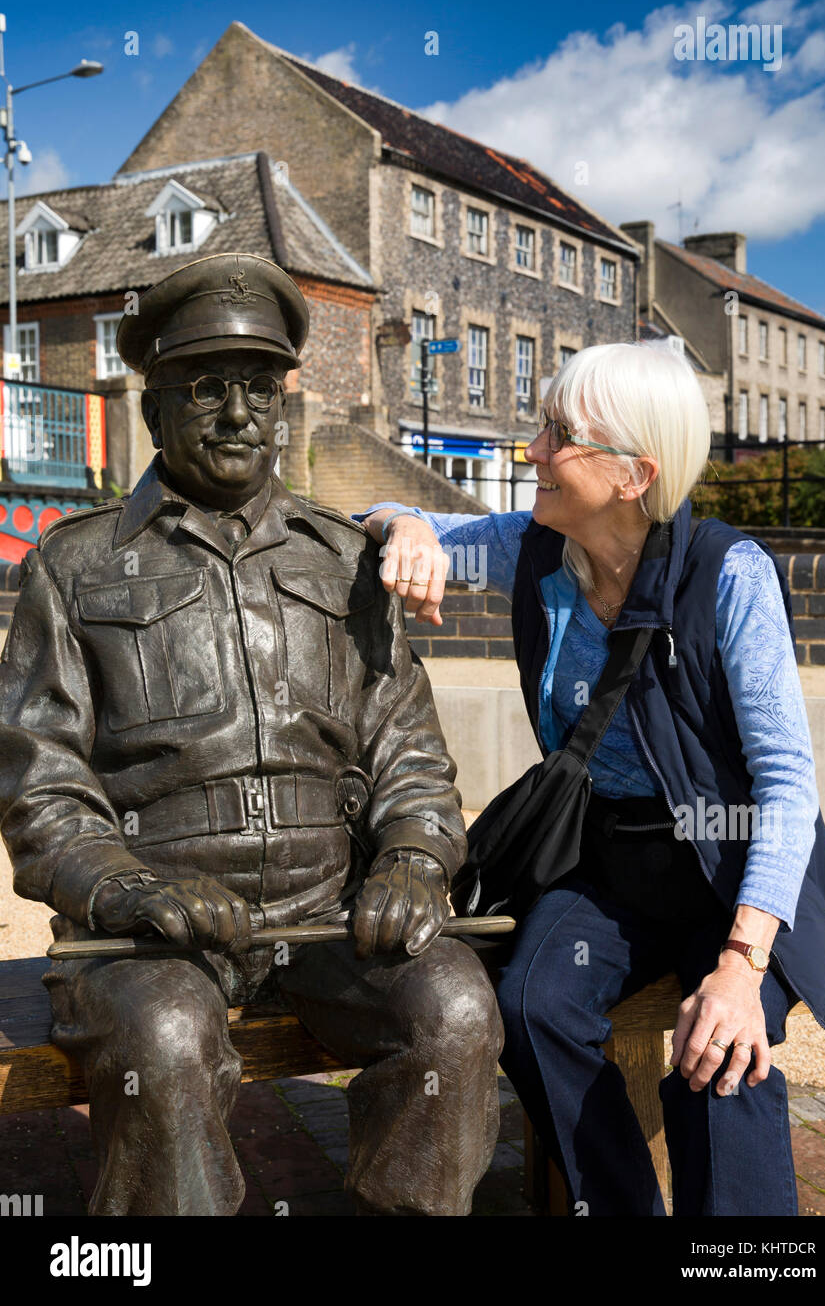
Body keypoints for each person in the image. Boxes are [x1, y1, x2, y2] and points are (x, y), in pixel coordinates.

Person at [0, 252, 503, 1217]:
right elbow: (38, 780)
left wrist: (411, 858)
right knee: (169, 1039)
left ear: (285, 406)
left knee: (455, 1005)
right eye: (206, 389)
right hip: (145, 940)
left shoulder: (348, 560)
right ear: (152, 413)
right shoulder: (73, 565)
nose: (239, 414)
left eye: (260, 389)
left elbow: (409, 750)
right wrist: (129, 886)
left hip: (328, 919)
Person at [356, 340, 825, 1217]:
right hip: (609, 862)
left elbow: (786, 786)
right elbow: (385, 514)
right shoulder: (531, 547)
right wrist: (405, 528)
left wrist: (741, 967)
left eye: (558, 433)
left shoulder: (727, 574)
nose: (532, 452)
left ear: (634, 475)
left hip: (730, 870)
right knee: (530, 1003)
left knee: (721, 1054)